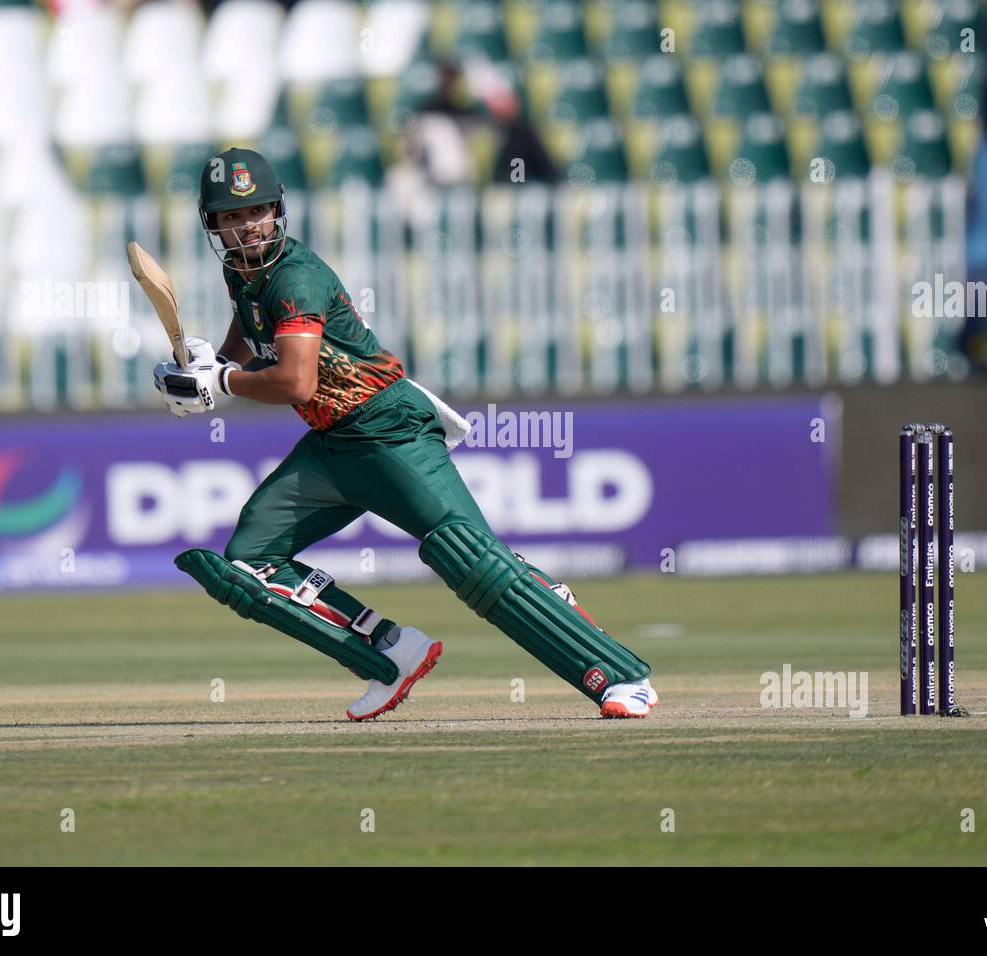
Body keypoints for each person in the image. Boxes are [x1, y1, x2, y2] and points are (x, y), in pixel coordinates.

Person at [152, 147, 657, 720]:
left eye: (256, 212)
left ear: (276, 210)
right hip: (331, 446)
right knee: (251, 563)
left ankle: (619, 676)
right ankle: (390, 654)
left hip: (389, 431)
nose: (246, 226)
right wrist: (210, 361)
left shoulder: (295, 275)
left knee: (471, 562)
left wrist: (222, 382)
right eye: (232, 217)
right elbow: (252, 322)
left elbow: (295, 381)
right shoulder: (242, 274)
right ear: (213, 225)